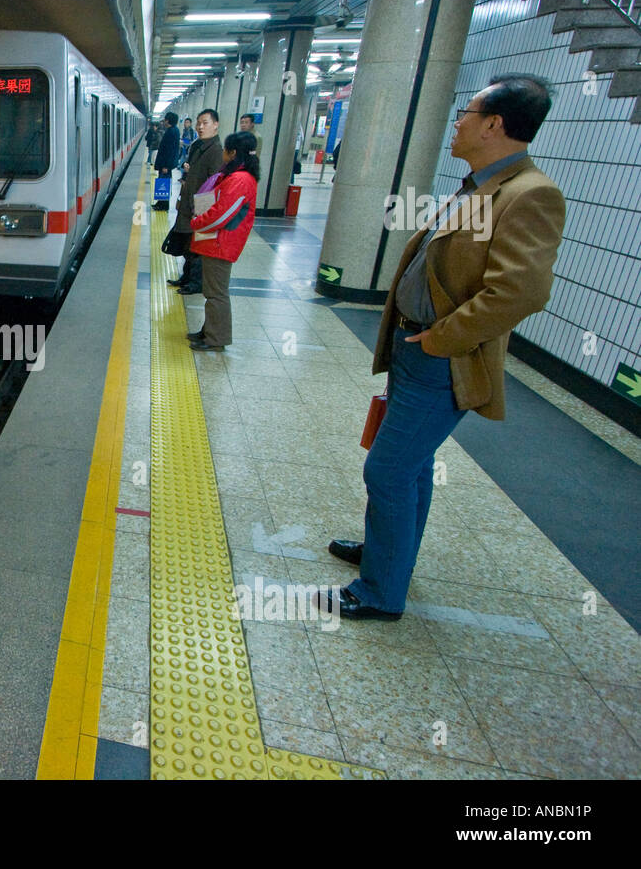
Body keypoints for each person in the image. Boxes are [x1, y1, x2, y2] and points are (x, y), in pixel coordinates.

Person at [320, 74, 565, 621]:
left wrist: (440, 339)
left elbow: (520, 290)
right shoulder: (480, 183)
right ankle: (390, 554)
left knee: (387, 470)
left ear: (494, 125)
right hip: (418, 349)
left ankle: (380, 591)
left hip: (442, 359)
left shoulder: (529, 194)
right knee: (413, 466)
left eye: (467, 113)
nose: (458, 122)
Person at [186, 131, 259, 351]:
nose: (223, 155)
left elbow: (222, 214)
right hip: (217, 241)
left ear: (233, 153)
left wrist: (196, 222)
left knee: (216, 293)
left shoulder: (240, 180)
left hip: (221, 242)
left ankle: (216, 339)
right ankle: (209, 331)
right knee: (212, 291)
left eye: (226, 151)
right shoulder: (237, 176)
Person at [167, 108, 222, 294]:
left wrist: (202, 210)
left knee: (198, 246)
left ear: (216, 125)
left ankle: (195, 283)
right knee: (187, 245)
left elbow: (214, 183)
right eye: (199, 123)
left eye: (205, 123)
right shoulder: (198, 146)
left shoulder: (215, 150)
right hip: (189, 200)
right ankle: (186, 277)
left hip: (201, 204)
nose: (200, 126)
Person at [153, 111, 181, 209]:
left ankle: (163, 205)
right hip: (166, 164)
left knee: (163, 184)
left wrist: (166, 166)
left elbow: (170, 150)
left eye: (165, 120)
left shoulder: (171, 132)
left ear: (168, 120)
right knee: (163, 183)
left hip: (165, 165)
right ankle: (160, 203)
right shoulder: (174, 130)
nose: (164, 122)